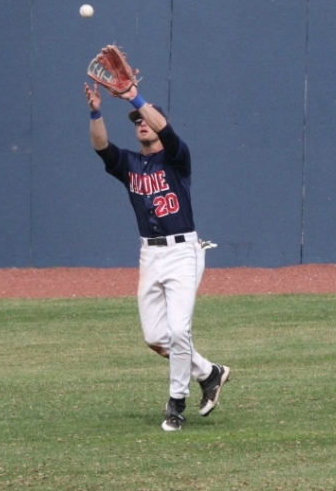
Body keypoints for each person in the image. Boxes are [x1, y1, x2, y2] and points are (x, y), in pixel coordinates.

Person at [83, 78, 231, 432]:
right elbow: (102, 147)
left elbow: (167, 129)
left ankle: (175, 405)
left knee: (179, 330)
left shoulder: (177, 158)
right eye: (136, 121)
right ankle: (210, 373)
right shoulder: (131, 164)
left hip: (183, 251)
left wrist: (136, 97)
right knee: (156, 337)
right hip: (150, 255)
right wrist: (96, 111)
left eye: (146, 119)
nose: (141, 123)